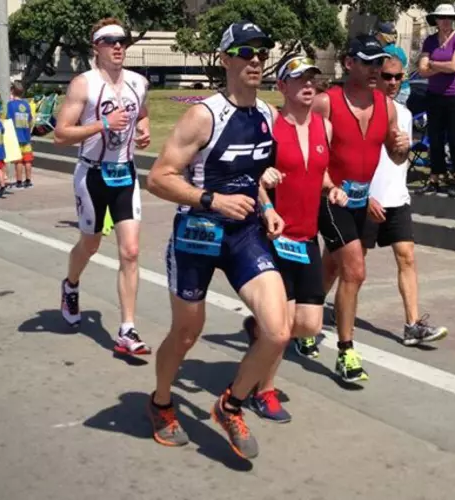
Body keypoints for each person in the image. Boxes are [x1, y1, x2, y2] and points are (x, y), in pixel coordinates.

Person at [146, 21, 290, 460]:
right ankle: (162, 402)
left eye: (261, 52)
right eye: (245, 52)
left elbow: (252, 178)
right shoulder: (204, 115)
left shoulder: (267, 114)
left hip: (245, 233)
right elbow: (158, 178)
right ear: (225, 59)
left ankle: (230, 405)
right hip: (197, 234)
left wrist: (266, 206)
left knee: (278, 331)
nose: (255, 60)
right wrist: (213, 199)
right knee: (187, 333)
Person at [241, 55, 347, 421]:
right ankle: (264, 391)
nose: (307, 85)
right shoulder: (270, 128)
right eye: (298, 78)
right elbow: (251, 176)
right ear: (282, 86)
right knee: (283, 330)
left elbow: (318, 173)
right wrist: (265, 194)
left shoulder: (324, 128)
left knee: (310, 326)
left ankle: (256, 329)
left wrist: (332, 189)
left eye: (312, 79)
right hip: (272, 239)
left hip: (306, 239)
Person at [312, 35, 410, 383]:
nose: (375, 69)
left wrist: (403, 148)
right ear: (348, 62)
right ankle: (346, 351)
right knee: (354, 270)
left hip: (361, 200)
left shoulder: (387, 107)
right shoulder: (327, 103)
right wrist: (330, 187)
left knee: (331, 267)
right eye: (367, 62)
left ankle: (304, 322)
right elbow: (311, 155)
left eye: (379, 62)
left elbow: (396, 156)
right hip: (329, 199)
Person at [54, 17, 152, 356]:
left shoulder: (139, 82)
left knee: (131, 251)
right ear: (96, 47)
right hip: (92, 175)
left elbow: (142, 114)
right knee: (90, 245)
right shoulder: (84, 84)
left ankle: (127, 329)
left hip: (125, 173)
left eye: (122, 40)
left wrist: (144, 129)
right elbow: (61, 134)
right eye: (109, 40)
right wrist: (102, 124)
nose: (118, 46)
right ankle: (71, 284)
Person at [363, 56, 448, 346]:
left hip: (396, 200)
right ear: (376, 77)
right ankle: (308, 310)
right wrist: (364, 195)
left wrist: (400, 191)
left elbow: (399, 160)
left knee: (407, 257)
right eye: (388, 77)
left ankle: (412, 325)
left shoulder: (405, 113)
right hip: (365, 200)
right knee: (345, 267)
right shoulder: (364, 110)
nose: (393, 83)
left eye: (399, 78)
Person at [418, 3, 455, 198]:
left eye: (449, 18)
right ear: (436, 20)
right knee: (435, 138)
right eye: (442, 17)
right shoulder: (430, 41)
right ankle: (434, 178)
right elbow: (421, 70)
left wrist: (432, 63)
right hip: (434, 95)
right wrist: (440, 66)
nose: (446, 21)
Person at [7, 82, 34, 188]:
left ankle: (19, 181)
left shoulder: (11, 105)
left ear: (12, 91)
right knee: (27, 160)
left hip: (16, 137)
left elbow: (8, 119)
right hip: (26, 137)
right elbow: (30, 119)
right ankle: (28, 180)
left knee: (18, 161)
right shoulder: (26, 105)